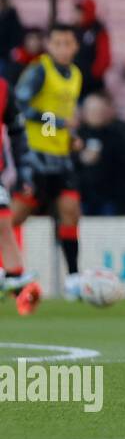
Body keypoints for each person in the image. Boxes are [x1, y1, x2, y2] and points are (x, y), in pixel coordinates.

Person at [10, 25, 86, 300]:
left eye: (67, 43)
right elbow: (20, 106)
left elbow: (59, 115)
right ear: (49, 46)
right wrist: (58, 123)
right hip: (35, 155)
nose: (62, 48)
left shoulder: (75, 75)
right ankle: (9, 272)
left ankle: (74, 279)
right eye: (57, 43)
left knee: (71, 209)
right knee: (16, 216)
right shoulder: (39, 71)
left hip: (60, 157)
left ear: (75, 47)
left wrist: (70, 138)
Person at [0, 71, 38, 312]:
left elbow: (16, 130)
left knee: (4, 222)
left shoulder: (3, 88)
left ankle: (18, 289)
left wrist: (24, 171)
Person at [75, 92, 125, 215]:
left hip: (110, 199)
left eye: (99, 111)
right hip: (82, 197)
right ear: (84, 112)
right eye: (92, 111)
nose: (96, 115)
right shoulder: (75, 137)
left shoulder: (118, 137)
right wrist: (80, 158)